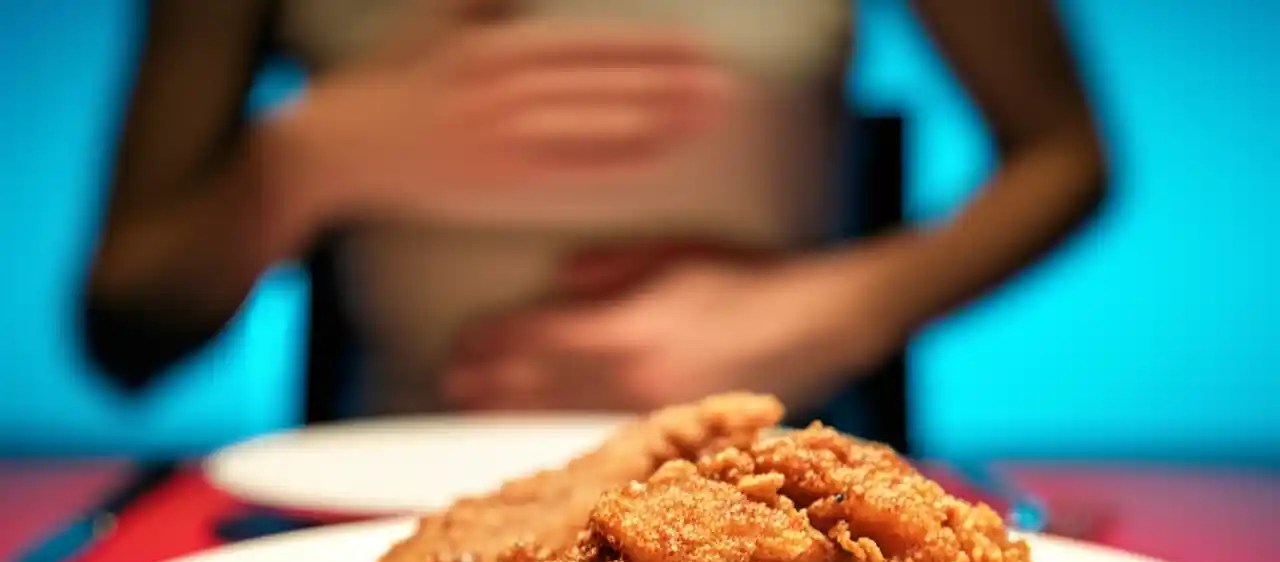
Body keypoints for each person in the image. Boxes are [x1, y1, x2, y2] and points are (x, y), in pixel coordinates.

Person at [84, 0, 1106, 436]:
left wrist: (828, 310)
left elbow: (1064, 155)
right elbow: (124, 333)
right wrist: (307, 158)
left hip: (762, 477)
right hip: (366, 505)